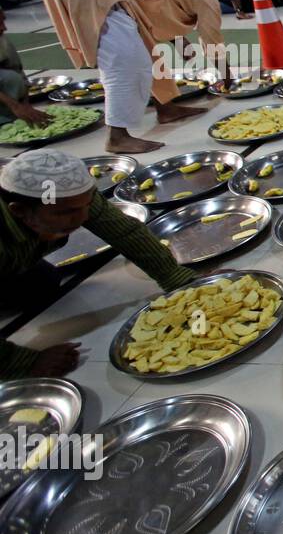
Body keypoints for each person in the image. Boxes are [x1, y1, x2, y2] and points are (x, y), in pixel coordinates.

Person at [0, 150, 199, 379]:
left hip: (18, 256)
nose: (82, 217)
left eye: (86, 205)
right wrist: (23, 362)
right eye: (67, 212)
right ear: (19, 211)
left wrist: (177, 278)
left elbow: (124, 232)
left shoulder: (62, 195)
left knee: (45, 283)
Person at [38, 0, 219, 153]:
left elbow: (154, 16)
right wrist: (227, 74)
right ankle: (117, 137)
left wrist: (180, 42)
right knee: (126, 63)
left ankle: (166, 107)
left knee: (143, 48)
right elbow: (212, 36)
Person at [0, 9, 43, 123]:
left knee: (14, 78)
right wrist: (14, 106)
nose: (4, 28)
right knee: (9, 77)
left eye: (3, 21)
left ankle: (9, 115)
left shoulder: (3, 42)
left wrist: (26, 104)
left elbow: (18, 71)